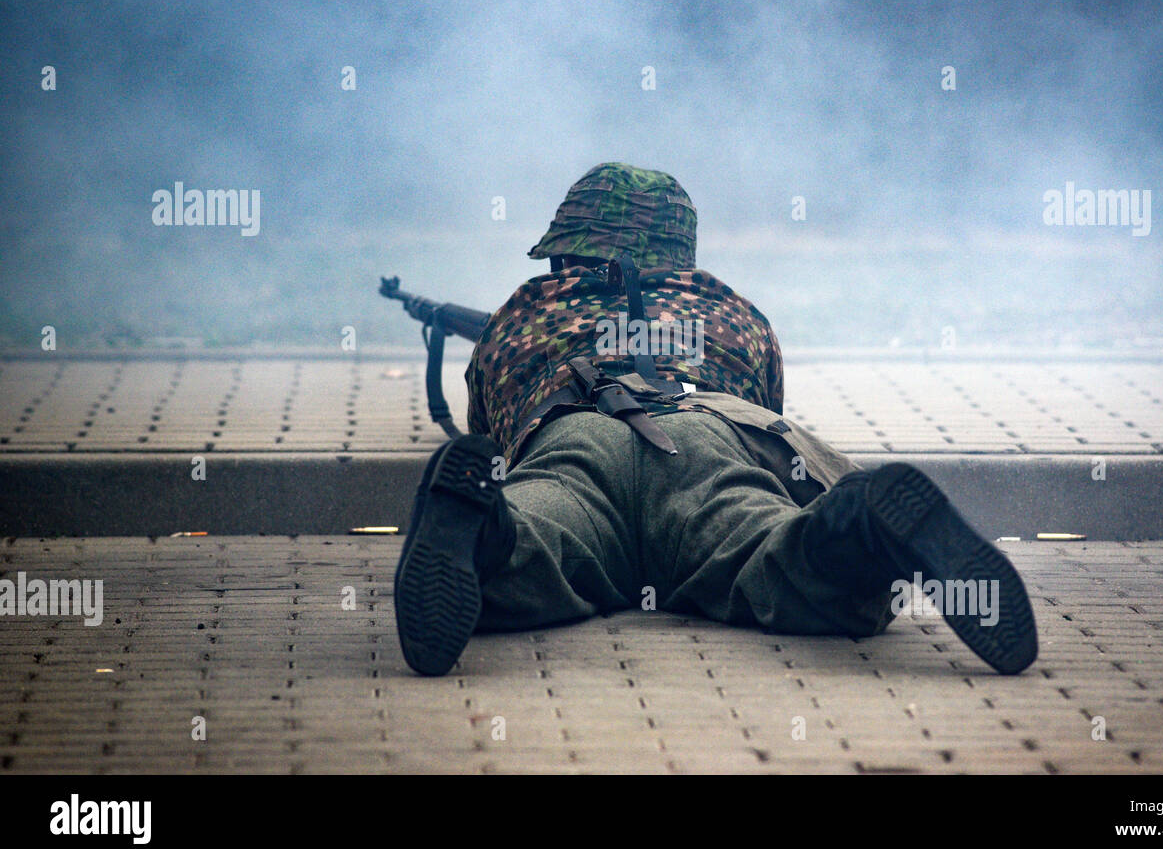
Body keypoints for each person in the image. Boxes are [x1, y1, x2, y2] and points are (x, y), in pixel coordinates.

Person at [393, 163, 1037, 678]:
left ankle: (479, 531)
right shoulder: (737, 314)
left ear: (568, 249)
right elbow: (767, 416)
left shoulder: (522, 311)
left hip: (576, 436)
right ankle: (860, 525)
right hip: (704, 431)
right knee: (779, 558)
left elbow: (494, 432)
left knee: (533, 541)